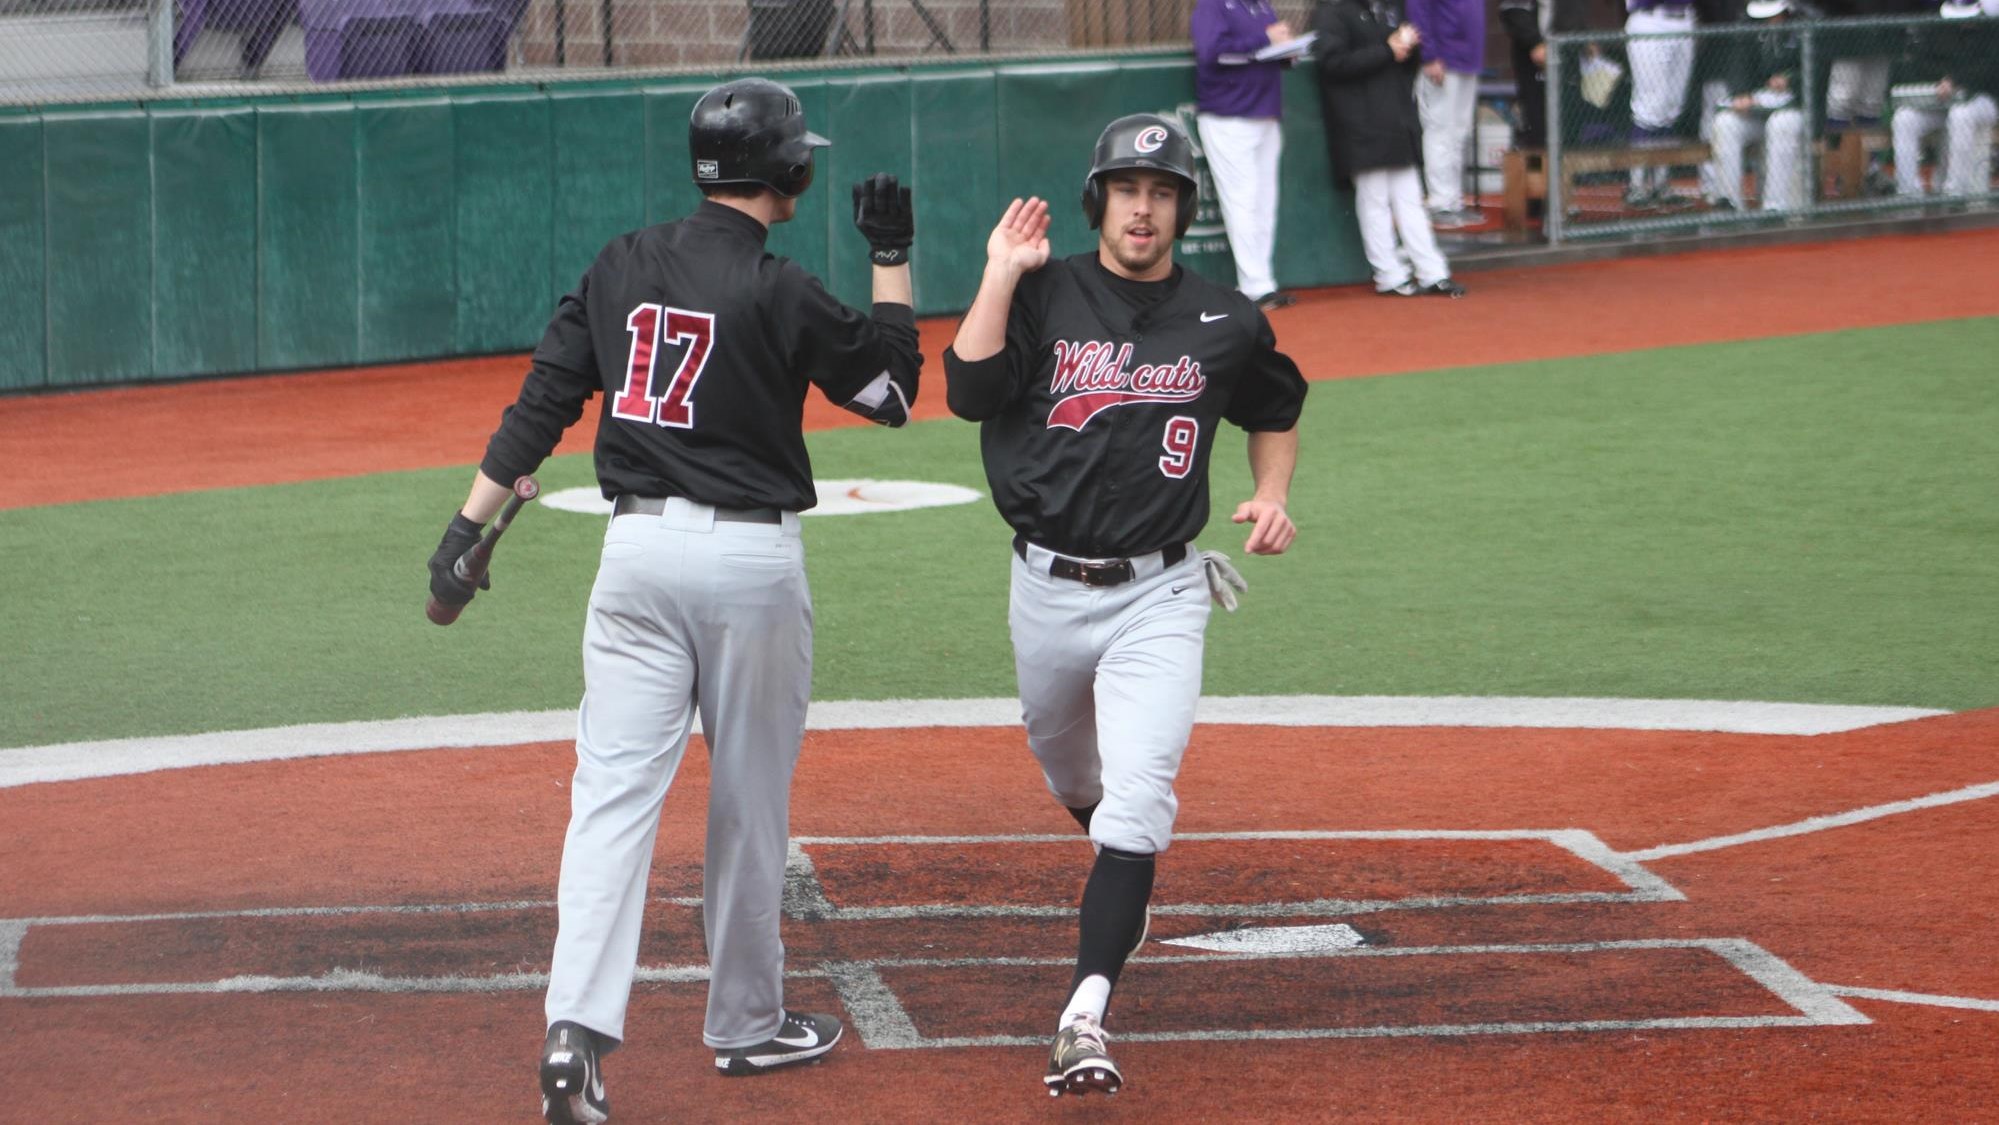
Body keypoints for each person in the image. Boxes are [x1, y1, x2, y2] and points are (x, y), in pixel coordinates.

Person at [424, 77, 923, 1125]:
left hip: (636, 559)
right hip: (747, 571)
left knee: (609, 804)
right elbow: (891, 395)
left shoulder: (620, 264)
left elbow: (541, 408)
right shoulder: (782, 287)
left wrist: (466, 533)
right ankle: (745, 1027)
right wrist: (889, 264)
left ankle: (574, 1035)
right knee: (747, 808)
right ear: (789, 173)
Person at [941, 114, 1308, 1096]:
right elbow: (969, 393)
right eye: (1126, 190)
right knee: (1069, 767)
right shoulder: (1043, 289)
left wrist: (1270, 496)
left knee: (1140, 791)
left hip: (1163, 588)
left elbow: (1274, 408)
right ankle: (1122, 866)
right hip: (1046, 586)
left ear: (1183, 207)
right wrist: (998, 273)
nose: (1142, 208)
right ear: (1097, 198)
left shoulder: (1226, 319)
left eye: (1162, 192)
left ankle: (1083, 1015)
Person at [1310, 0, 1469, 296]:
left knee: (1410, 199)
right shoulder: (1332, 10)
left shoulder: (1389, 7)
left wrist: (1408, 48)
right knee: (1375, 200)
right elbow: (1332, 63)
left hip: (1396, 118)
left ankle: (1432, 272)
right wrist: (1387, 50)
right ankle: (1389, 275)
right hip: (1358, 120)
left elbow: (1404, 58)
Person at [1192, 0, 1300, 310]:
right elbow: (1212, 52)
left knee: (1264, 203)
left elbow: (1263, 53)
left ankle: (1262, 281)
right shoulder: (1213, 6)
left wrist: (1287, 52)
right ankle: (1255, 286)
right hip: (1229, 116)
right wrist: (1267, 39)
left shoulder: (1261, 5)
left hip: (1265, 113)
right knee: (1243, 200)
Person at [1890, 0, 1999, 198]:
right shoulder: (1938, 29)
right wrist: (1943, 81)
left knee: (1961, 115)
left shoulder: (1992, 30)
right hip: (1941, 100)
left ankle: (1956, 192)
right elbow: (1920, 64)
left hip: (1986, 99)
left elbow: (1990, 69)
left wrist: (1957, 81)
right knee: (1904, 118)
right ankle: (1908, 193)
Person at [1708, 0, 1810, 211]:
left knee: (1781, 124)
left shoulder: (1807, 25)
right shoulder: (1750, 27)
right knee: (1725, 123)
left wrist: (1791, 81)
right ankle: (1729, 204)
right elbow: (1738, 65)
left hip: (1798, 109)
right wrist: (1741, 93)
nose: (1766, 21)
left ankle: (1775, 207)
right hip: (1759, 109)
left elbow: (1817, 73)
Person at [1405, 0, 1487, 227]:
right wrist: (1429, 55)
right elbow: (1418, 8)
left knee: (1459, 133)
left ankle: (1453, 200)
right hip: (1443, 58)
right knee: (1440, 130)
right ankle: (1440, 201)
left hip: (1468, 58)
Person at [1623, 0, 1700, 207]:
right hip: (1650, 19)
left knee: (1672, 105)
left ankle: (1661, 184)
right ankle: (1636, 186)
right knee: (1650, 105)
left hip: (1684, 19)